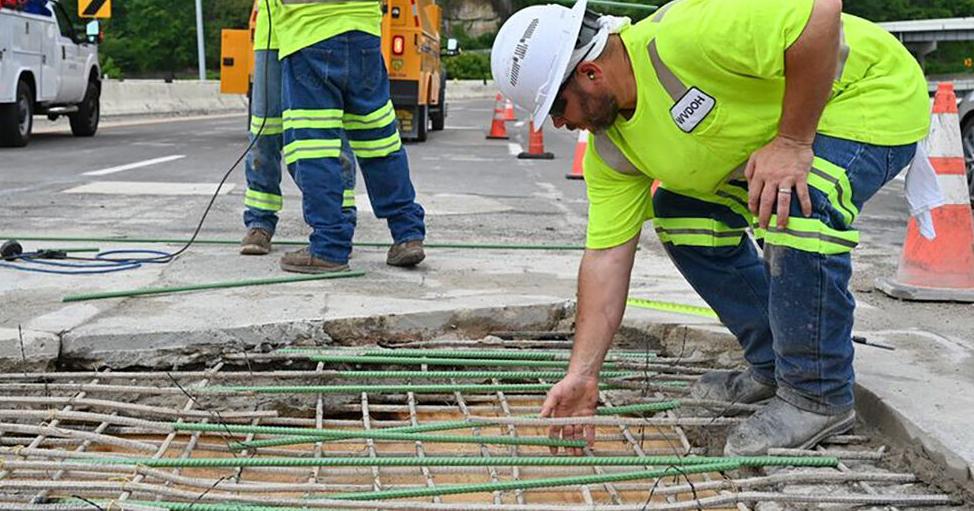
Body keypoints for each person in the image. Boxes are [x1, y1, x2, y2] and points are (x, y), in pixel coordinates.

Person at [491, 0, 929, 455]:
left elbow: (820, 14)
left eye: (558, 107)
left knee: (799, 205)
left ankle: (818, 394)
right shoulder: (613, 150)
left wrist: (791, 142)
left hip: (868, 94)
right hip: (786, 127)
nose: (561, 124)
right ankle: (775, 363)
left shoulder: (686, 37)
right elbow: (606, 258)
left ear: (590, 73)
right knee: (683, 215)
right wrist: (582, 374)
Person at [268, 0, 427, 273]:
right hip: (363, 36)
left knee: (315, 148)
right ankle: (407, 234)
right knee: (380, 141)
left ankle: (329, 247)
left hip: (310, 34)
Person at [240, 0, 357, 257]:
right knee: (264, 131)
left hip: (317, 31)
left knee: (329, 134)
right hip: (272, 37)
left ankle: (340, 222)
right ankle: (259, 222)